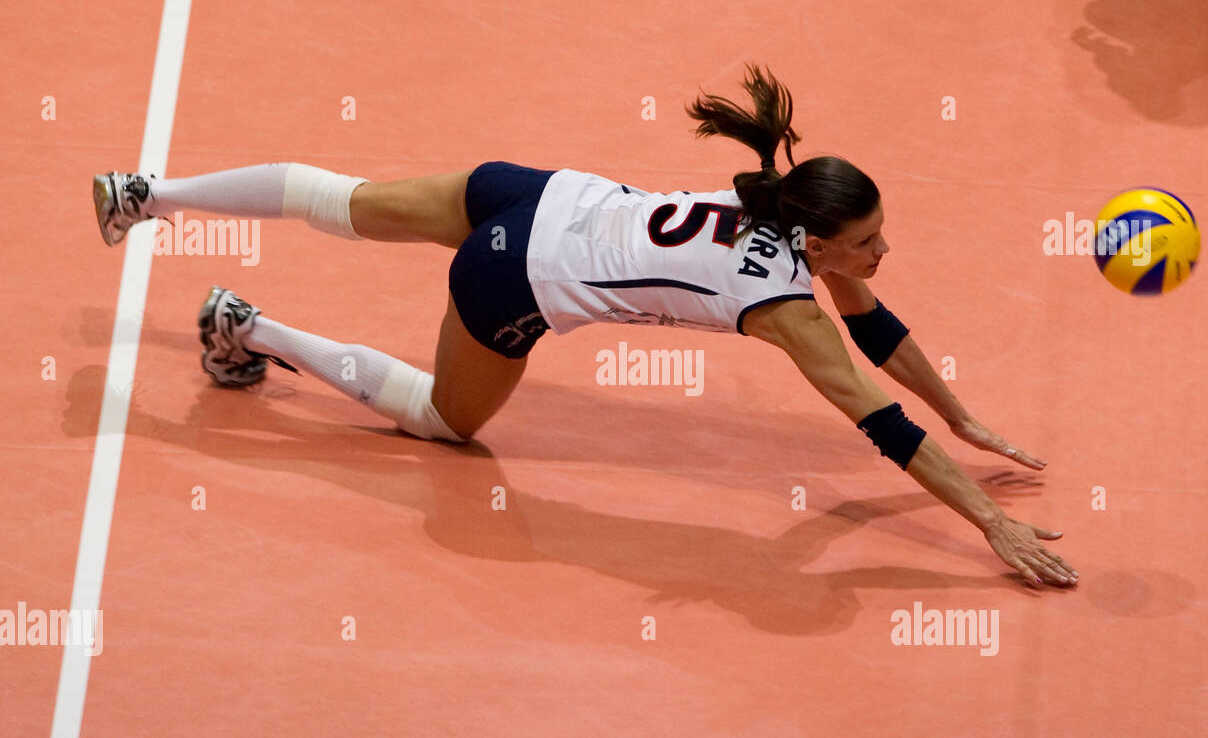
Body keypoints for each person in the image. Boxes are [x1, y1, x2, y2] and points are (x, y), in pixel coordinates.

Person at [92, 64, 1078, 589]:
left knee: (344, 201)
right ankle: (248, 328)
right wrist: (988, 520)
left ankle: (149, 193)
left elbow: (880, 331)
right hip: (515, 270)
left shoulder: (782, 209)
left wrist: (961, 414)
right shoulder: (781, 305)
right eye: (865, 242)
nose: (878, 254)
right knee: (445, 422)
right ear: (816, 245)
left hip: (539, 193)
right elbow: (879, 420)